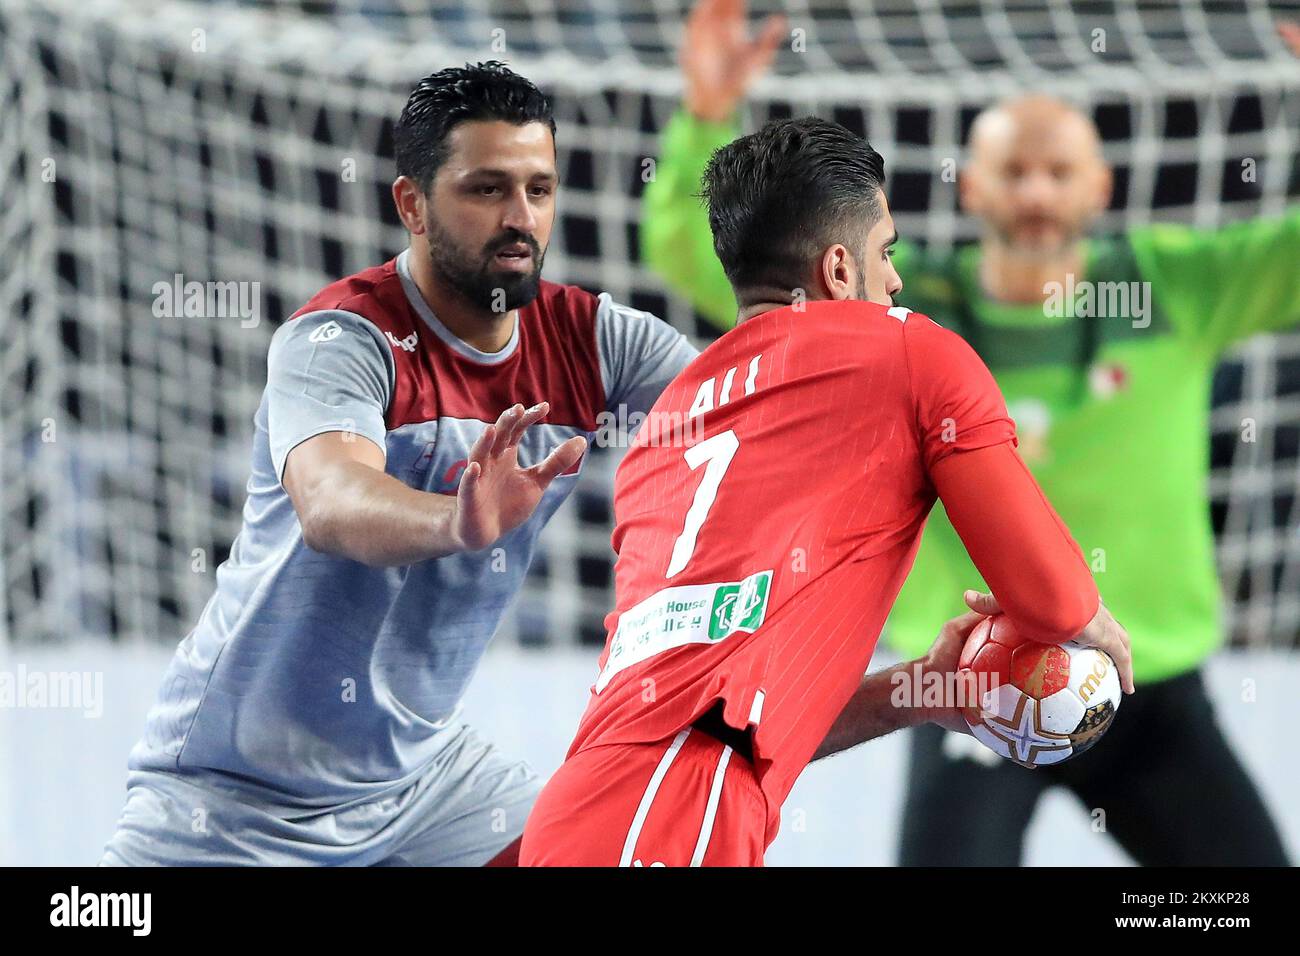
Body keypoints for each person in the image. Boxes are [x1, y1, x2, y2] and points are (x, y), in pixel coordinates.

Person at [642, 0, 1297, 865]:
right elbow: (701, 253)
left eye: (1058, 172)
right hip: (971, 675)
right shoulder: (905, 312)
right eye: (1013, 171)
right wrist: (705, 118)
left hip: (1152, 678)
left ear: (1099, 186)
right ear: (972, 185)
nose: (1035, 192)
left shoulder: (1175, 284)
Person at [100, 61, 697, 866]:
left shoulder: (596, 341)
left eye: (540, 189)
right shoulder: (341, 340)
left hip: (426, 795)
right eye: (486, 190)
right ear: (411, 204)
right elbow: (331, 501)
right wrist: (455, 521)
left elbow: (754, 410)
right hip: (227, 801)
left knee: (617, 845)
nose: (521, 218)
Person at [520, 117, 1132, 867]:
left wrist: (922, 689)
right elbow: (1054, 605)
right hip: (680, 808)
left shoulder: (666, 423)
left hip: (594, 803)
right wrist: (1090, 616)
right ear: (840, 270)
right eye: (887, 253)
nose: (898, 280)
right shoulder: (912, 349)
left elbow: (727, 708)